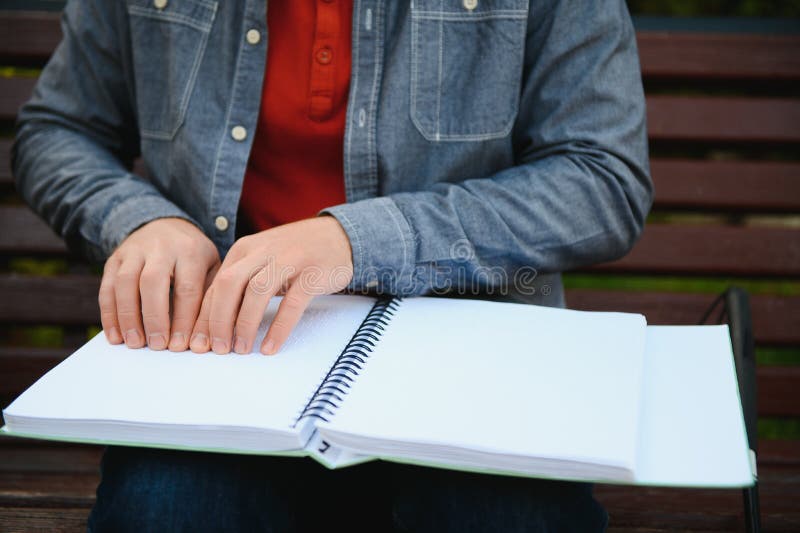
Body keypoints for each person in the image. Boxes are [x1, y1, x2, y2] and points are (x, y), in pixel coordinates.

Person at [12, 0, 652, 531]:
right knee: (165, 512)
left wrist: (356, 242)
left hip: (475, 366)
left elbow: (602, 179)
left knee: (507, 519)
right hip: (226, 363)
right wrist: (140, 218)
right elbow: (58, 129)